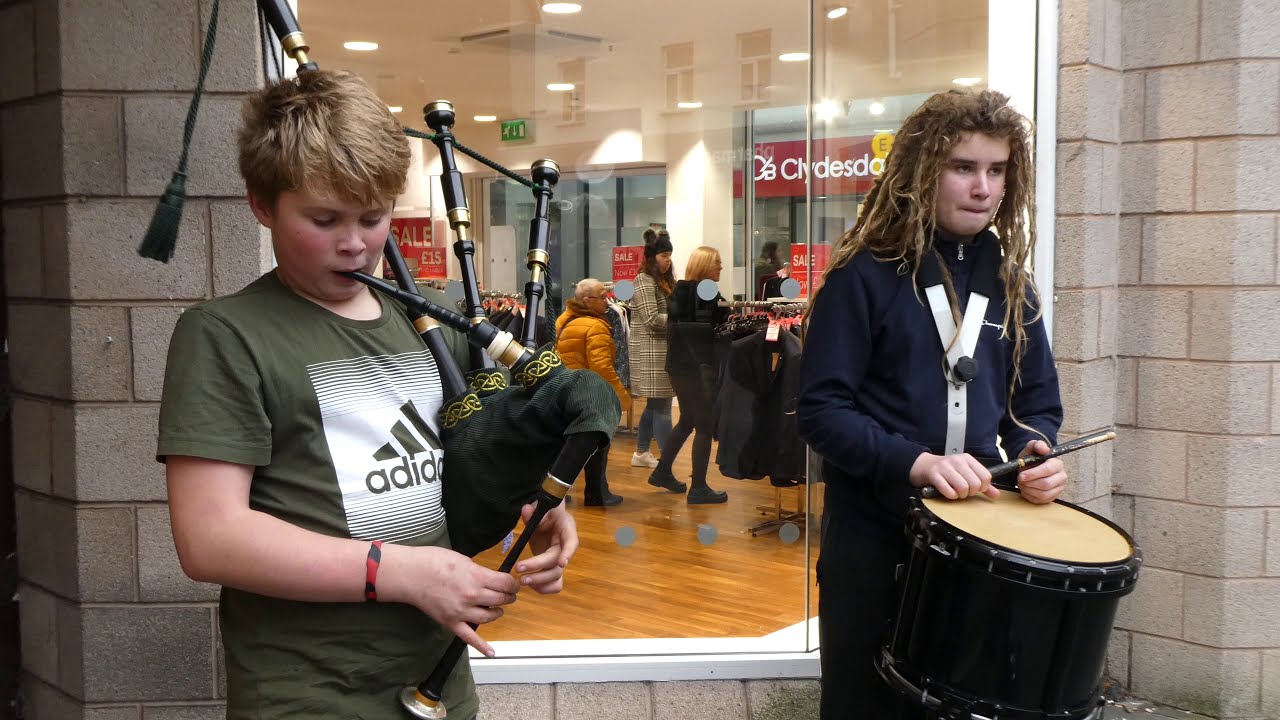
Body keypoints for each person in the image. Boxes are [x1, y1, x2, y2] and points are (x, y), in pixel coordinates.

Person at [156, 69, 577, 720]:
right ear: (262, 205)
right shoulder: (225, 335)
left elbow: (467, 464)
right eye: (324, 219)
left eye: (374, 217)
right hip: (307, 694)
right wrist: (404, 572)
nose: (355, 242)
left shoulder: (435, 326)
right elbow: (210, 537)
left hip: (437, 679)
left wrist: (531, 503)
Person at [796, 89, 1068, 720]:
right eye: (963, 168)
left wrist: (1037, 449)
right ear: (923, 171)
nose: (983, 187)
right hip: (872, 537)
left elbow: (1035, 402)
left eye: (996, 171)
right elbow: (822, 411)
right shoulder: (862, 275)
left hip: (978, 534)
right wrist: (916, 463)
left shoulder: (1011, 281)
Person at [647, 246, 730, 504]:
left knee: (687, 421)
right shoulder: (705, 293)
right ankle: (699, 487)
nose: (721, 268)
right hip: (697, 367)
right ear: (706, 266)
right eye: (717, 263)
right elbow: (707, 331)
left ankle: (662, 471)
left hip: (678, 366)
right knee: (704, 425)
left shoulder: (681, 292)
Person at [556, 278, 631, 506]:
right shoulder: (596, 326)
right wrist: (621, 397)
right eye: (602, 297)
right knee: (599, 444)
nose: (607, 302)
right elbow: (602, 367)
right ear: (588, 300)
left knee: (565, 446)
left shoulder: (564, 320)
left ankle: (558, 493)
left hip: (567, 389)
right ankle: (597, 493)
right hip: (590, 393)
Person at [628, 228, 677, 472]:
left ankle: (641, 452)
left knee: (655, 406)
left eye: (669, 255)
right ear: (652, 257)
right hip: (651, 354)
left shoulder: (663, 281)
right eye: (663, 255)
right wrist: (680, 320)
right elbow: (650, 318)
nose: (668, 259)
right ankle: (666, 465)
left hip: (661, 352)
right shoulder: (643, 280)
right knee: (663, 410)